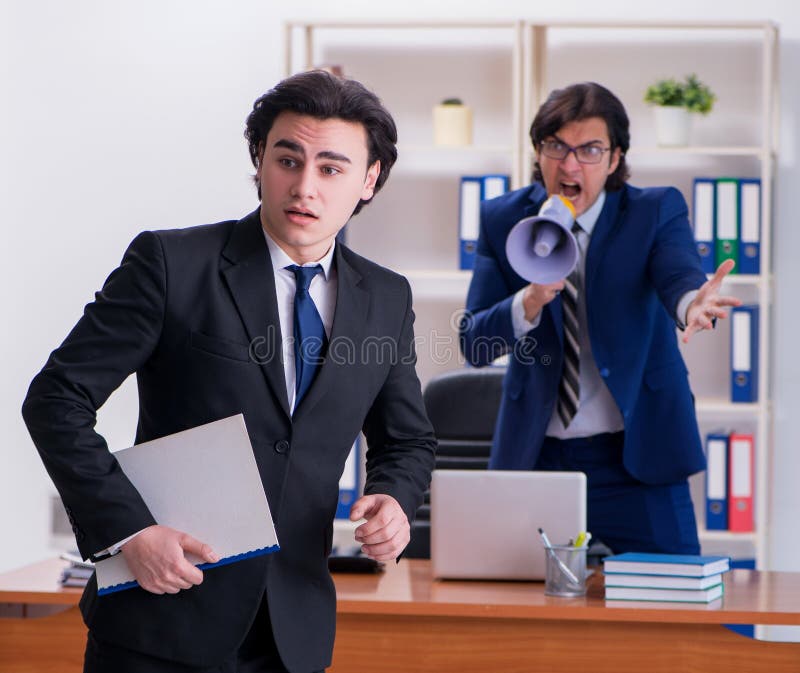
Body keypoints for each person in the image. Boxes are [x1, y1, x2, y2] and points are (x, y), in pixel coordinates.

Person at [22, 70, 436, 673]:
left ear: (369, 179)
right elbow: (57, 399)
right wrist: (130, 531)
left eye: (331, 169)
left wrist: (395, 499)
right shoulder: (172, 264)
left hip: (292, 635)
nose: (305, 187)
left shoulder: (387, 298)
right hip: (160, 618)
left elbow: (407, 439)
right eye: (287, 160)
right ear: (259, 159)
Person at [460, 81, 740, 557]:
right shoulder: (502, 219)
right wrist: (529, 300)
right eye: (556, 147)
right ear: (538, 152)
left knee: (671, 595)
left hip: (636, 457)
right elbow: (475, 344)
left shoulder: (653, 211)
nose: (570, 166)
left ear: (614, 159)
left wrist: (692, 303)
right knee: (515, 600)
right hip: (539, 458)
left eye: (590, 150)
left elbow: (677, 274)